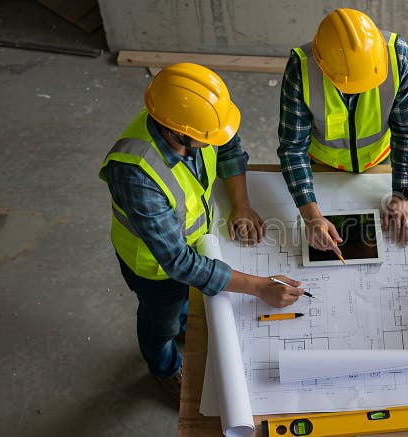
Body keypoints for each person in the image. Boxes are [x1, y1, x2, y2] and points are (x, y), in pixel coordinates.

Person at [99, 63, 304, 398]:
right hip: (154, 268)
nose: (214, 138)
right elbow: (178, 263)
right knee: (160, 322)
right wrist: (259, 287)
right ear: (175, 132)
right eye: (205, 137)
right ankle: (163, 368)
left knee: (184, 307)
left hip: (197, 243)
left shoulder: (194, 119)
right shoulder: (135, 174)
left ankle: (181, 323)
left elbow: (229, 147)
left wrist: (241, 204)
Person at [277, 8, 408, 256]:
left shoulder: (397, 56)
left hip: (380, 160)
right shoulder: (301, 69)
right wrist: (311, 216)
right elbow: (292, 147)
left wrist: (401, 193)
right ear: (322, 64)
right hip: (322, 166)